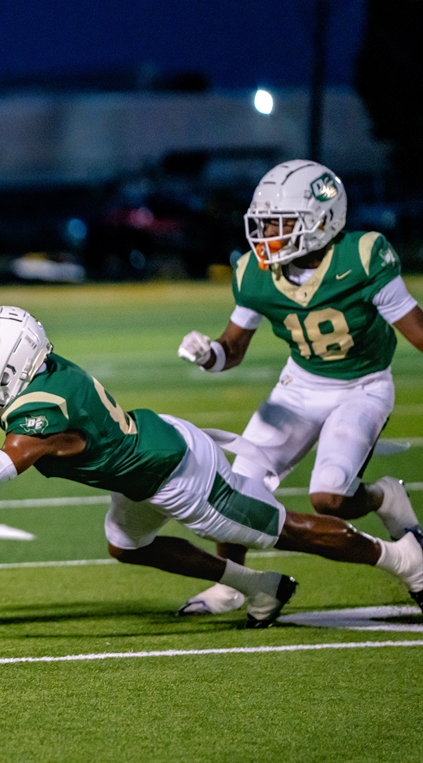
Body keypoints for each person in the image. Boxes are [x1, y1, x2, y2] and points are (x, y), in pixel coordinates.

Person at [0, 306, 423, 627]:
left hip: (178, 475)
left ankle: (404, 560)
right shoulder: (37, 378)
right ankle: (258, 588)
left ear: (14, 369)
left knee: (288, 530)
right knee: (127, 546)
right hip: (142, 462)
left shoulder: (43, 414)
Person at [174, 160, 423, 615]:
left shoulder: (361, 257)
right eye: (264, 222)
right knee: (236, 485)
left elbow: (417, 331)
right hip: (298, 387)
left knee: (329, 498)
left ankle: (382, 496)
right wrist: (207, 354)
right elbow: (232, 349)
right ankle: (236, 584)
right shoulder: (254, 273)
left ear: (322, 221)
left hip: (361, 386)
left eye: (280, 223)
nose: (267, 233)